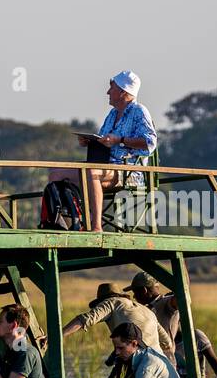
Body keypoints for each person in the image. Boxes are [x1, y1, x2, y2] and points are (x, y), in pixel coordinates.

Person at [48, 71, 157, 233]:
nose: (107, 92)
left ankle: (96, 227)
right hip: (103, 165)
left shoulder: (139, 111)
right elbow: (104, 139)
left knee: (91, 172)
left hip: (128, 172)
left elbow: (150, 142)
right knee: (56, 173)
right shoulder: (112, 114)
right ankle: (65, 225)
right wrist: (90, 141)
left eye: (111, 88)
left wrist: (119, 140)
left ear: (123, 92)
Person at [110, 323, 185, 378]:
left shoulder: (147, 366)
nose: (117, 352)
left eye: (121, 348)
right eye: (115, 348)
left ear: (134, 344)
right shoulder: (143, 355)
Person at [124, 270, 180, 343]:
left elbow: (181, 294)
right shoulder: (148, 307)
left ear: (144, 290)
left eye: (136, 292)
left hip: (165, 351)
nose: (134, 296)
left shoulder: (166, 302)